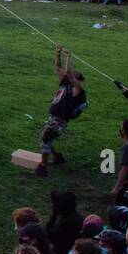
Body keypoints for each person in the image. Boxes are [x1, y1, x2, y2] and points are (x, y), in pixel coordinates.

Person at [37, 47, 87, 177]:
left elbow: (68, 73)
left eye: (72, 76)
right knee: (46, 138)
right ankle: (57, 157)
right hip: (54, 117)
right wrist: (58, 53)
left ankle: (42, 167)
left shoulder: (78, 89)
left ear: (77, 80)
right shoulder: (66, 84)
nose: (68, 76)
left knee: (45, 139)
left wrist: (69, 57)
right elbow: (58, 67)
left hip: (60, 119)